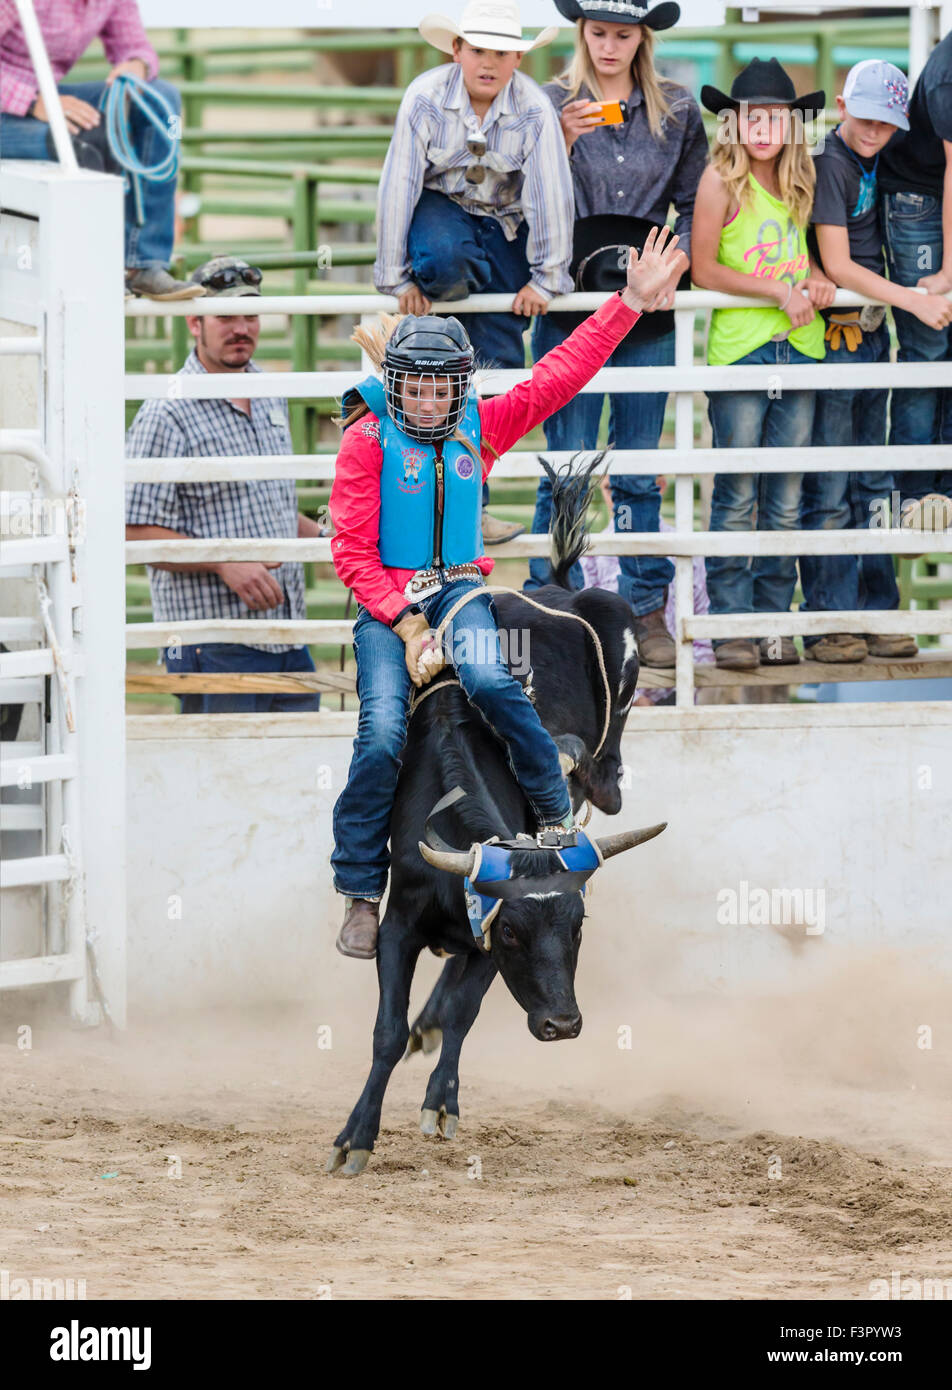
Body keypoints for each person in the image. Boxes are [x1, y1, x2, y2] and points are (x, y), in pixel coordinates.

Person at [329, 227, 687, 959]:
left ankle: (557, 816)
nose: (429, 401)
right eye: (417, 387)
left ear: (461, 385)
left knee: (494, 679)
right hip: (385, 611)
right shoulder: (365, 443)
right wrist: (402, 624)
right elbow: (352, 553)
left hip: (458, 594)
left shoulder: (478, 428)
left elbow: (558, 375)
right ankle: (361, 889)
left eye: (442, 387)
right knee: (383, 736)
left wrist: (627, 304)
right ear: (394, 384)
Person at [524, 0, 707, 673]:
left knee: (636, 467)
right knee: (566, 463)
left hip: (646, 292)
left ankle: (643, 604)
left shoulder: (679, 109)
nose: (607, 46)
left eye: (621, 35)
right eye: (597, 33)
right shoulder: (546, 101)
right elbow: (524, 196)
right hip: (571, 294)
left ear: (641, 38)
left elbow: (694, 203)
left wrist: (676, 265)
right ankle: (553, 596)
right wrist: (559, 144)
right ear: (582, 34)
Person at [374, 0, 575, 546]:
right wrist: (398, 279)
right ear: (457, 51)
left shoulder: (533, 110)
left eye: (502, 53)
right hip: (444, 218)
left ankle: (469, 501)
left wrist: (546, 277)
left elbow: (549, 192)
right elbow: (400, 184)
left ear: (517, 60)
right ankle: (447, 285)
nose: (489, 62)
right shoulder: (424, 99)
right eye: (478, 49)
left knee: (494, 371)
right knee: (444, 263)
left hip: (505, 230)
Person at [125, 257, 327, 712]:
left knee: (293, 770)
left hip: (286, 632)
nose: (241, 328)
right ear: (194, 322)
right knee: (225, 772)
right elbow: (132, 531)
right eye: (225, 317)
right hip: (210, 640)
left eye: (250, 315)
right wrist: (224, 562)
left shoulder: (269, 391)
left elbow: (266, 504)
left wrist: (323, 539)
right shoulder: (167, 411)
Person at [802, 61, 950, 664]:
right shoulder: (829, 163)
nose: (874, 132)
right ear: (842, 107)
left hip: (866, 334)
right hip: (835, 334)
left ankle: (878, 610)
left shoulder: (870, 160)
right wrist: (912, 296)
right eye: (865, 119)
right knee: (835, 477)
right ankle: (831, 619)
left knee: (874, 476)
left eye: (887, 126)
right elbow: (836, 265)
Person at [691, 58, 834, 673]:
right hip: (743, 352)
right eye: (753, 115)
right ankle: (732, 628)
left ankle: (775, 625)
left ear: (791, 123)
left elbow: (807, 258)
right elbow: (705, 270)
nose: (765, 126)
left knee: (786, 496)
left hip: (800, 348)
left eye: (776, 115)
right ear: (735, 122)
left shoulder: (802, 183)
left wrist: (818, 277)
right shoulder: (720, 181)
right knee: (738, 493)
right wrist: (776, 291)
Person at [0, 0, 200, 300]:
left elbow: (135, 45)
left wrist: (136, 65)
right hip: (21, 103)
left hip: (43, 97)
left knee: (163, 101)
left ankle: (145, 263)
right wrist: (33, 102)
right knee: (81, 146)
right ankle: (93, 268)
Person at [879, 27, 952, 512]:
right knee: (928, 347)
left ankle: (942, 493)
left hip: (934, 197)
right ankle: (913, 497)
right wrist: (948, 271)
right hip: (920, 202)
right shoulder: (948, 75)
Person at [578, 475, 714, 703]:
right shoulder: (592, 553)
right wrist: (636, 697)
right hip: (615, 694)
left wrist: (682, 685)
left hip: (678, 688)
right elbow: (590, 631)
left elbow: (703, 626)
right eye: (610, 489)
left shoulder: (686, 549)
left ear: (659, 487)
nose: (619, 499)